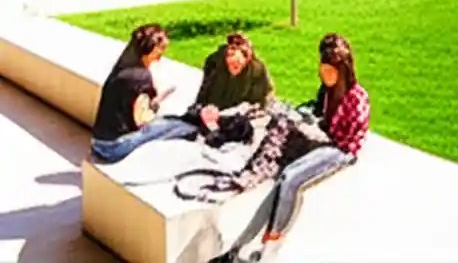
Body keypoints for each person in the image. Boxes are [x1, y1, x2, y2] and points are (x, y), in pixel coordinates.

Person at [225, 34, 370, 263]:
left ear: (343, 70)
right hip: (324, 140)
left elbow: (348, 139)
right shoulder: (327, 92)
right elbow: (321, 117)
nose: (325, 75)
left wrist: (320, 133)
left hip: (340, 150)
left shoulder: (357, 98)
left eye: (330, 71)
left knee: (292, 179)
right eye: (323, 70)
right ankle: (244, 244)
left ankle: (271, 245)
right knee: (282, 177)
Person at [90, 25, 198, 164]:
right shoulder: (141, 77)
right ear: (150, 49)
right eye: (161, 51)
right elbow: (142, 120)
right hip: (116, 147)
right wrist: (156, 104)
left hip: (98, 143)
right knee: (184, 128)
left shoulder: (121, 68)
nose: (161, 57)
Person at [193, 33, 275, 130]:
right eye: (230, 65)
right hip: (216, 110)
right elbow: (205, 90)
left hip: (242, 112)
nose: (233, 69)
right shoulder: (214, 63)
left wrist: (260, 110)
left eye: (236, 66)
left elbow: (266, 95)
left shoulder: (257, 69)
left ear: (246, 60)